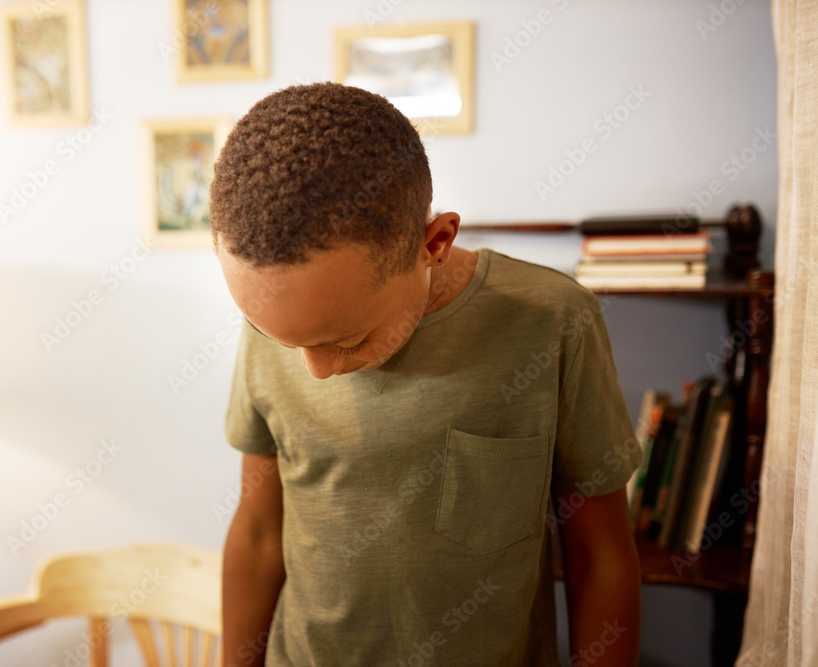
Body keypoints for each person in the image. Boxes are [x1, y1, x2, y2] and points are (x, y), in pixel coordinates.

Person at [211, 82, 642, 666]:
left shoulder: (554, 324)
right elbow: (260, 534)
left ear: (434, 244)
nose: (314, 371)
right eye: (280, 338)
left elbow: (602, 558)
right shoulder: (281, 320)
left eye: (347, 341)